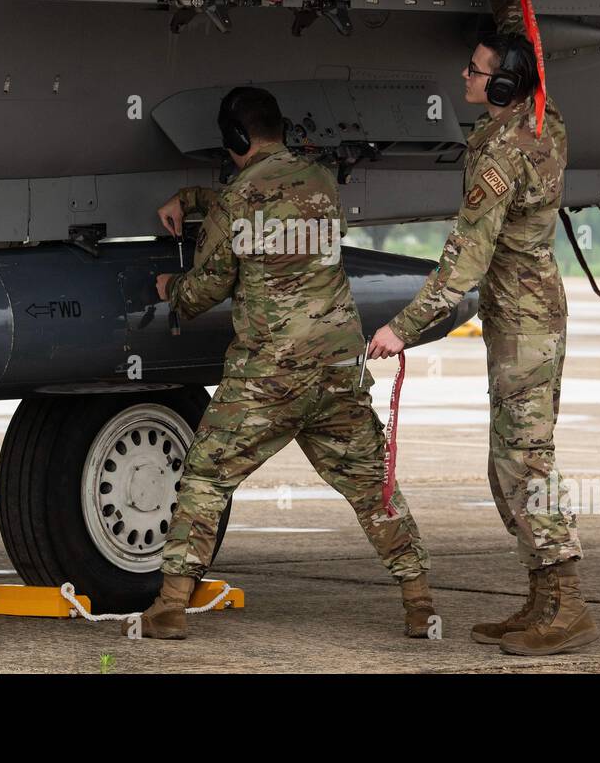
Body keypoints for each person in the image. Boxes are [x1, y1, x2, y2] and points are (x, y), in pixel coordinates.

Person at [367, 0, 596, 656]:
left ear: (499, 83)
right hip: (529, 321)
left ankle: (565, 603)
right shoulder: (543, 115)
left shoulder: (502, 156)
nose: (464, 74)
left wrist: (401, 327)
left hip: (525, 327)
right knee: (511, 461)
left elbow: (464, 260)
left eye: (474, 68)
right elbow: (523, 42)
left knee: (521, 464)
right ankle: (541, 600)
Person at [134, 85, 434, 639]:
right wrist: (198, 199)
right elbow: (268, 203)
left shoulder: (238, 199)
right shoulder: (320, 181)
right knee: (373, 485)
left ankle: (171, 605)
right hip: (338, 368)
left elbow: (209, 288)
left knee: (206, 475)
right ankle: (419, 602)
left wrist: (171, 286)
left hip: (268, 375)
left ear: (234, 138)